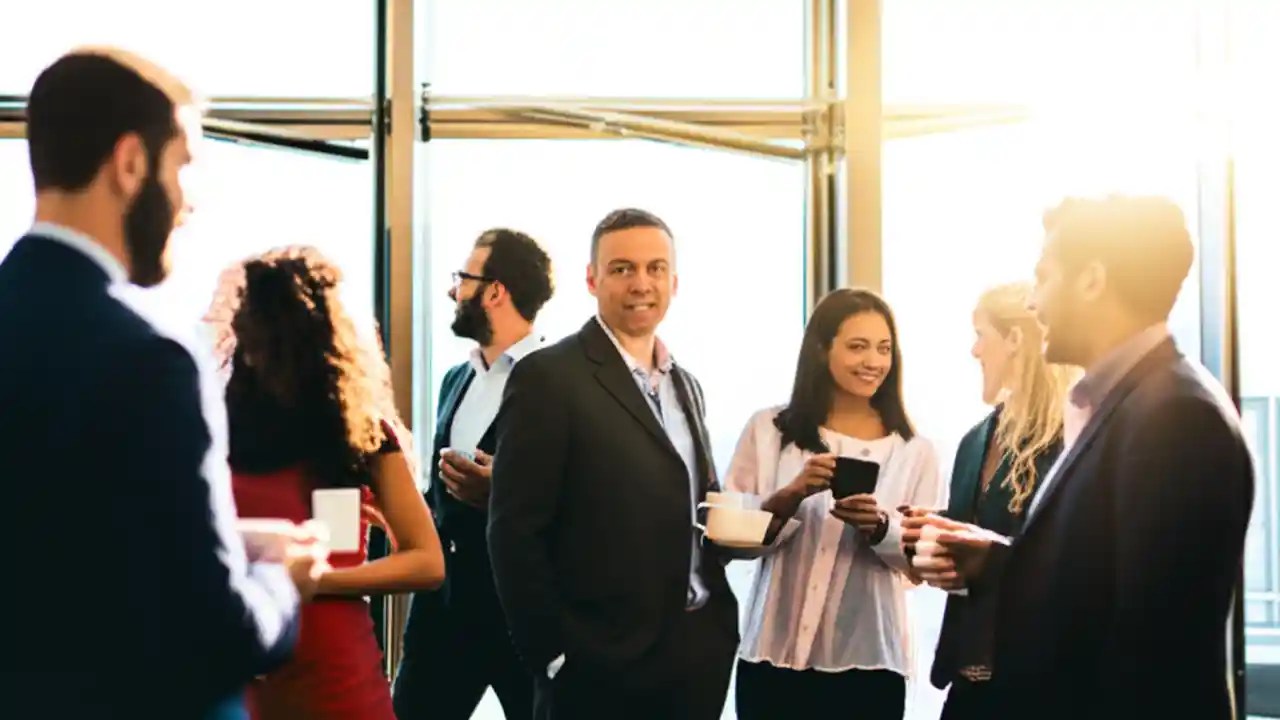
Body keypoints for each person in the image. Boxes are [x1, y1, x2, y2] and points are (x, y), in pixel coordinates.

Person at [0, 48, 316, 718]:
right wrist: (279, 577)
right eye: (183, 167)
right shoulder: (149, 359)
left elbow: (54, 546)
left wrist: (228, 536)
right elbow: (218, 636)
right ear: (131, 163)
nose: (189, 203)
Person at [916, 196, 1255, 719]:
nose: (1035, 304)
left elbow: (1151, 638)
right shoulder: (1126, 405)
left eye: (1045, 278)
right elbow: (1104, 583)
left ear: (1093, 280)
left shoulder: (1176, 416)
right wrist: (995, 560)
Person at [488, 208, 739, 720]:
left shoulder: (686, 385)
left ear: (674, 280)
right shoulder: (549, 377)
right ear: (592, 279)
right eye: (622, 268)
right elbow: (513, 531)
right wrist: (551, 655)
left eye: (655, 268)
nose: (640, 283)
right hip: (596, 668)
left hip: (694, 659)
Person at [211, 245, 446, 719]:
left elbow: (427, 561)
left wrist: (320, 581)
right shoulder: (215, 424)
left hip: (336, 666)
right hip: (245, 654)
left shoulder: (359, 431)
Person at [722, 288, 943, 720]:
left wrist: (881, 529)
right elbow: (730, 539)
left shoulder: (916, 451)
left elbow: (922, 568)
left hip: (869, 662)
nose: (874, 361)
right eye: (857, 346)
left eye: (884, 348)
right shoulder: (768, 430)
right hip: (771, 656)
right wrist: (790, 496)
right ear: (823, 350)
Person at [393, 228, 553, 719]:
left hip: (519, 614)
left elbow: (587, 500)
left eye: (463, 279)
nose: (452, 290)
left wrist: (502, 492)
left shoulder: (559, 384)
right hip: (443, 613)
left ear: (495, 291)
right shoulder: (454, 379)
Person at [916, 282, 1077, 719]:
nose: (974, 350)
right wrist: (928, 536)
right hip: (969, 679)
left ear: (1015, 340)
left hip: (1042, 682)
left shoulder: (1076, 439)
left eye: (980, 333)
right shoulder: (974, 443)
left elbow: (1077, 564)